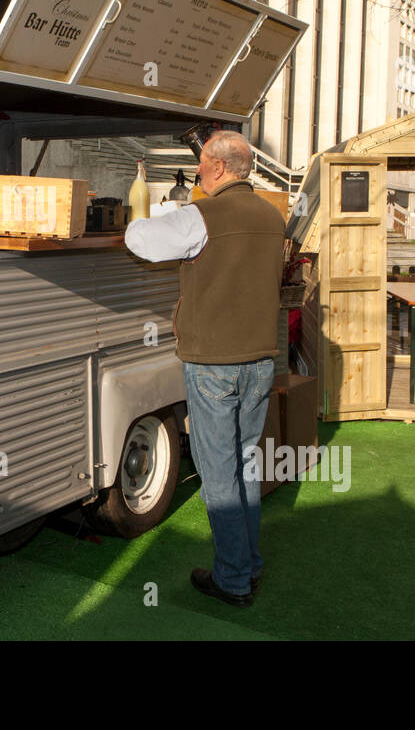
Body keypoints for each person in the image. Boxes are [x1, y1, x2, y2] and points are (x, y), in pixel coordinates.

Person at [123, 130, 284, 608]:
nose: (195, 172)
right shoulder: (273, 216)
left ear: (215, 167)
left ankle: (233, 578)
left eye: (200, 165)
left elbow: (141, 242)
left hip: (214, 364)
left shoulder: (201, 216)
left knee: (218, 474)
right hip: (260, 360)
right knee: (246, 464)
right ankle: (249, 564)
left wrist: (137, 208)